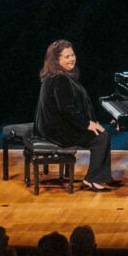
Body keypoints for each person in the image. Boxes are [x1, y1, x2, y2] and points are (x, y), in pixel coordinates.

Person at [34, 40, 115, 190]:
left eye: (72, 55)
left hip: (51, 127)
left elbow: (72, 107)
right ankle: (92, 179)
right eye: (67, 57)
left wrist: (90, 121)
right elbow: (67, 110)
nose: (72, 59)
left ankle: (98, 177)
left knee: (100, 132)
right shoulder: (60, 79)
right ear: (57, 60)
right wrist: (87, 124)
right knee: (101, 137)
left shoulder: (53, 75)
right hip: (59, 131)